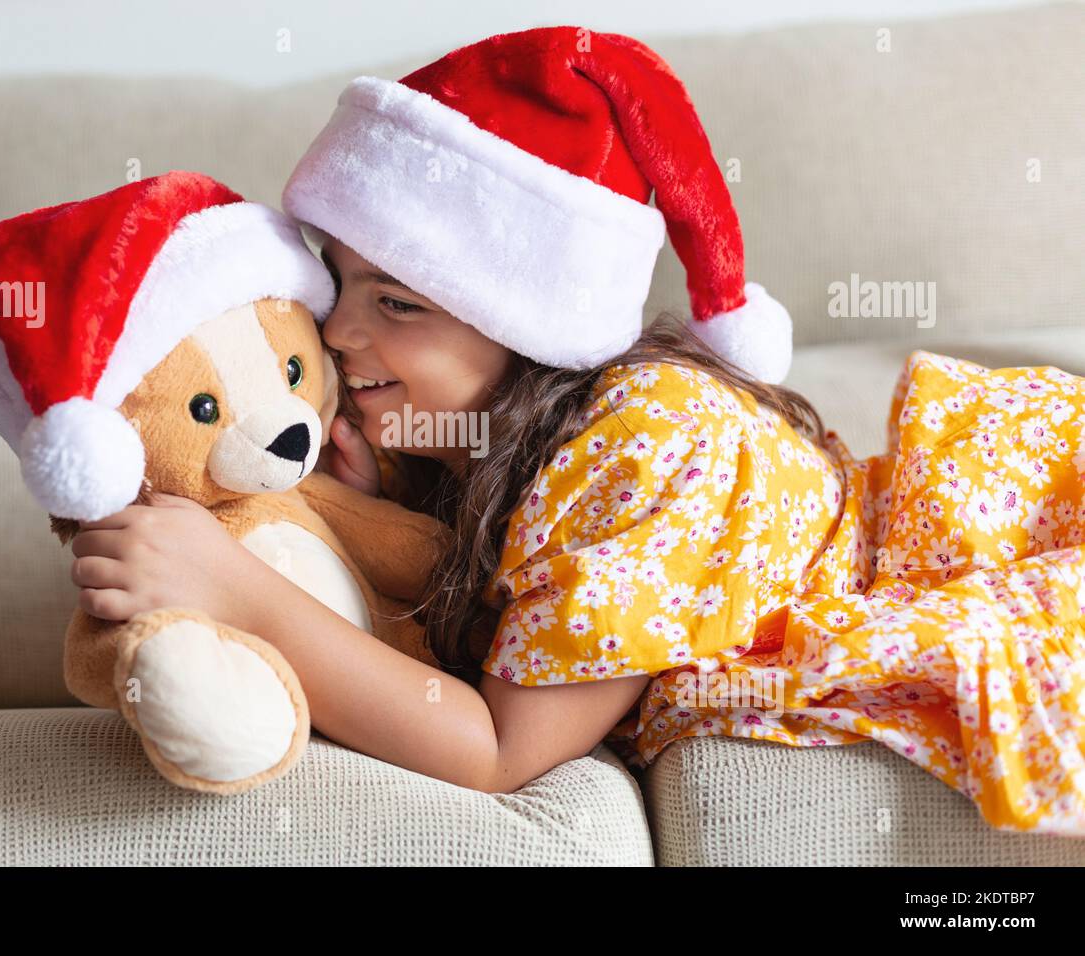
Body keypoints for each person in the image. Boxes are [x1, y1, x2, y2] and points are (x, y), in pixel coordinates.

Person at [70, 28, 1085, 833]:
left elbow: (498, 747)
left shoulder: (645, 444)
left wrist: (233, 587)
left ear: (526, 325)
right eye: (340, 281)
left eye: (399, 303)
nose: (339, 331)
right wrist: (375, 518)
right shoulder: (478, 438)